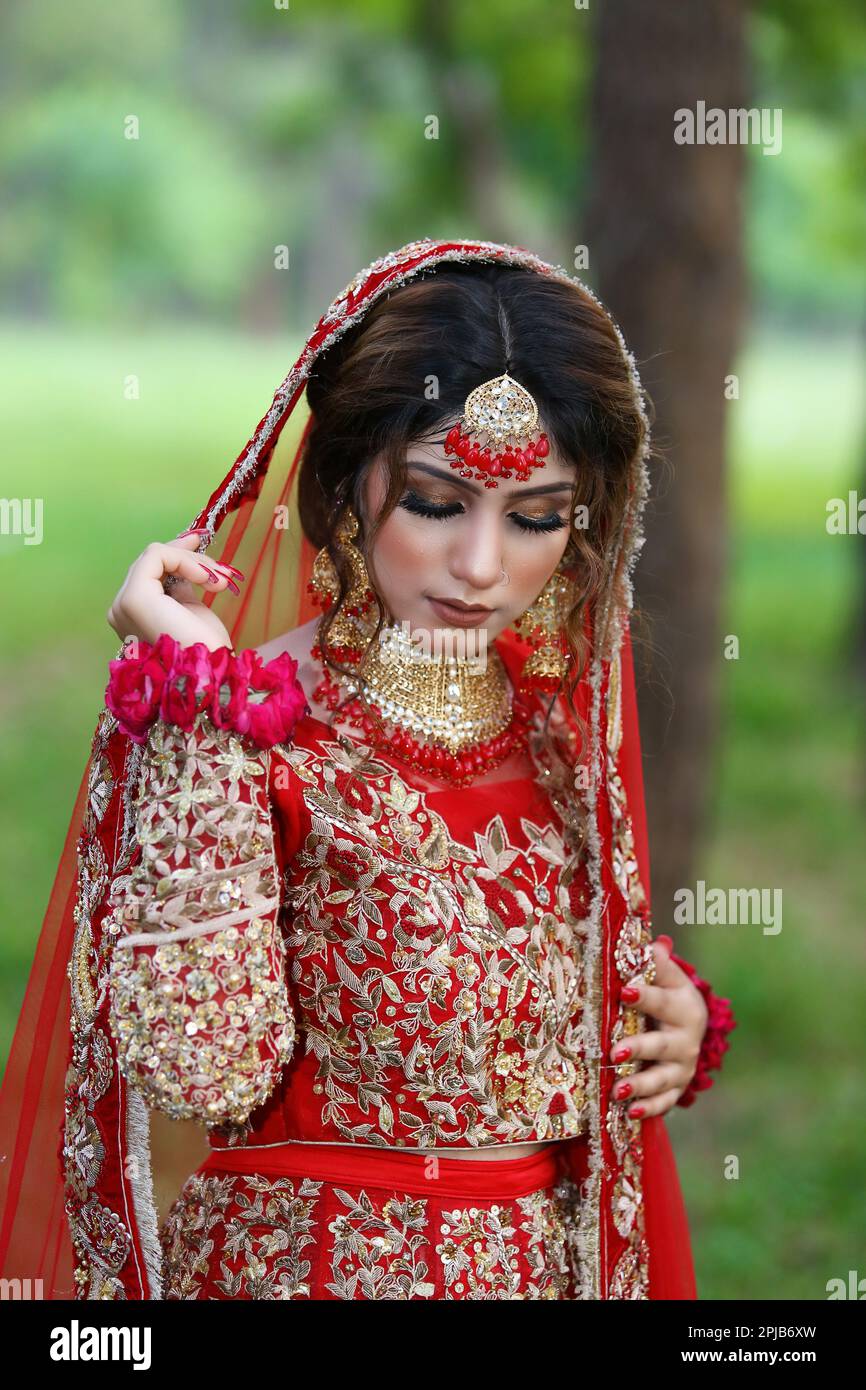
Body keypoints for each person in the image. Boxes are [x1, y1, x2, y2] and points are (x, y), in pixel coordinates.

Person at [0, 237, 736, 1301]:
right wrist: (203, 694)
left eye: (533, 517)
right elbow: (204, 1068)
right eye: (436, 504)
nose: (482, 568)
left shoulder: (558, 737)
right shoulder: (241, 722)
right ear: (345, 483)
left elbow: (513, 1006)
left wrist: (658, 1022)